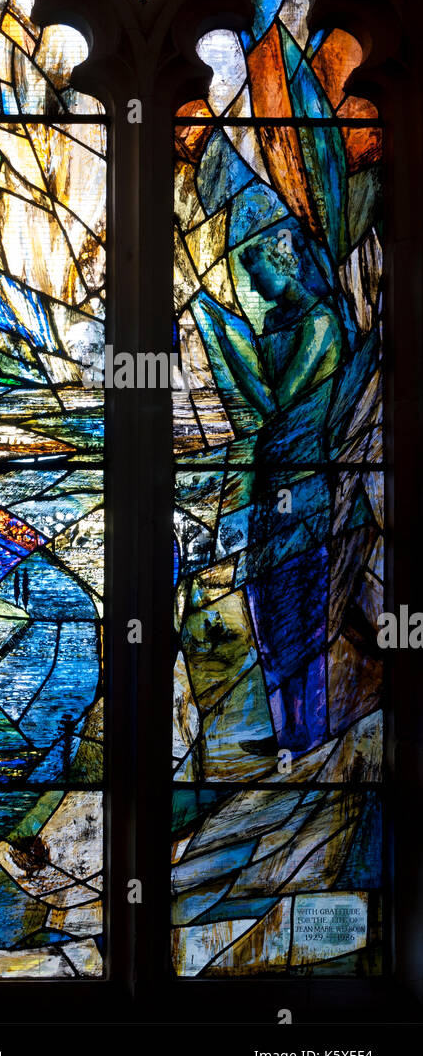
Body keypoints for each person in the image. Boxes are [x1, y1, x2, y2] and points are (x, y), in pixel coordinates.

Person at [191, 227, 343, 753]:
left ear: (286, 263)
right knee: (270, 600)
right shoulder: (276, 322)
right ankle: (289, 727)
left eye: (258, 278)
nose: (253, 291)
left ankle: (308, 727)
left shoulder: (320, 323)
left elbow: (274, 402)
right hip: (270, 476)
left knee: (301, 597)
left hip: (303, 482)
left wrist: (230, 348)